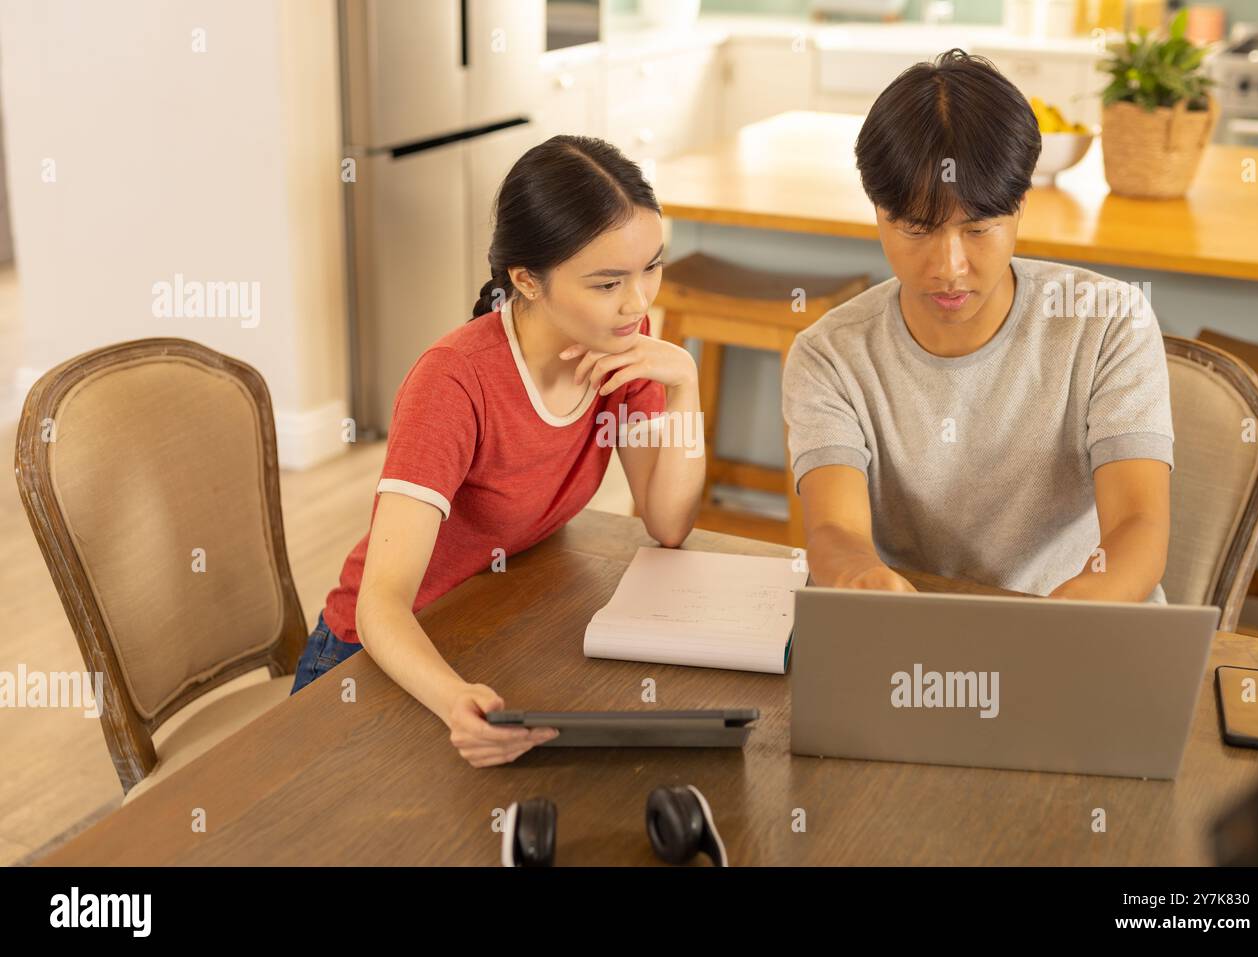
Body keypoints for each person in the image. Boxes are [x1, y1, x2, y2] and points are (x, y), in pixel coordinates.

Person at [292, 135, 705, 769]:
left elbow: (668, 522)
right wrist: (453, 697)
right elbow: (380, 603)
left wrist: (685, 385)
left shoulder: (625, 341)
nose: (638, 301)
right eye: (606, 282)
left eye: (651, 265)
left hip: (487, 621)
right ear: (525, 280)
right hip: (375, 659)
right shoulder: (454, 382)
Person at [782, 50, 1173, 602]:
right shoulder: (829, 355)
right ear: (877, 211)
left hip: (1086, 622)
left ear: (1020, 207)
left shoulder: (1108, 324)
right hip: (915, 631)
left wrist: (1072, 613)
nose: (948, 268)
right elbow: (834, 532)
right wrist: (860, 580)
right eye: (917, 230)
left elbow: (1139, 525)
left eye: (979, 229)